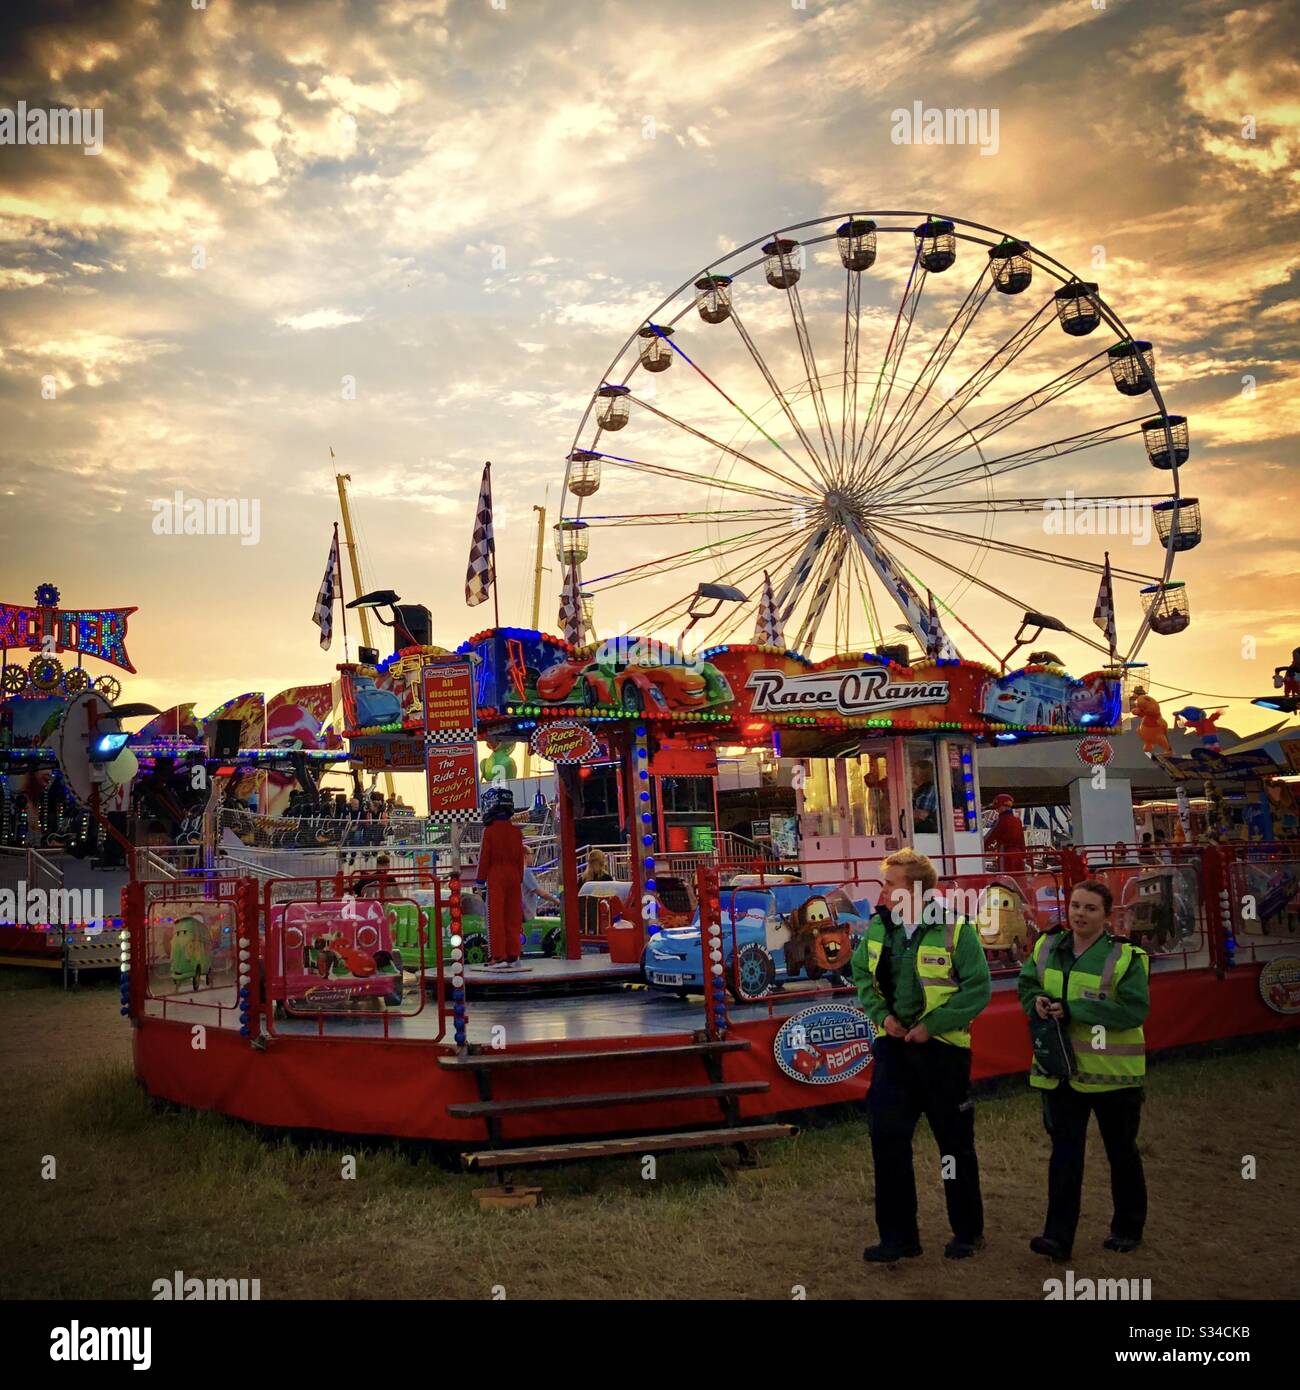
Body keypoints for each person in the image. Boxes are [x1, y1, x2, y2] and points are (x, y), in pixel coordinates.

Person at [852, 848, 992, 1263]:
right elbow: (861, 973)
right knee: (888, 1141)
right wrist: (883, 1017)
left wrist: (934, 1024)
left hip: (942, 1052)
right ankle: (898, 1239)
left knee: (953, 1146)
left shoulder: (956, 929)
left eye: (890, 883)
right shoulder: (879, 928)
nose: (883, 891)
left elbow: (978, 989)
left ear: (916, 890)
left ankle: (967, 1233)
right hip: (894, 1051)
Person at [1019, 879, 1150, 1260]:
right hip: (1061, 1073)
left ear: (1107, 917)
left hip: (1114, 1078)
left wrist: (1075, 1009)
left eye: (1091, 908)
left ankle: (1128, 1228)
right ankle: (1057, 1239)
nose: (1080, 914)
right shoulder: (1047, 945)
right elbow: (1026, 984)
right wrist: (1036, 1002)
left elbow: (1134, 1010)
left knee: (1121, 1153)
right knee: (1064, 1157)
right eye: (1076, 906)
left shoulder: (1127, 957)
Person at [476, 790, 529, 970]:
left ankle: (498, 957)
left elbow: (485, 858)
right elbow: (521, 859)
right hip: (514, 876)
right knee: (513, 917)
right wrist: (520, 878)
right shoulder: (516, 832)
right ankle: (514, 955)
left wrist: (479, 881)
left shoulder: (489, 832)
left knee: (496, 917)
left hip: (496, 875)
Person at [984, 792, 1027, 873]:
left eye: (997, 806)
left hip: (1005, 854)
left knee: (1006, 878)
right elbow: (1022, 839)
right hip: (1018, 854)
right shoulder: (1017, 820)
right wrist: (1023, 854)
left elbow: (990, 836)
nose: (996, 809)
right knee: (1020, 878)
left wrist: (982, 847)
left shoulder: (1001, 820)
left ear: (1001, 806)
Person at [910, 760, 938, 835]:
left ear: (922, 774)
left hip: (926, 833)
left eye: (914, 773)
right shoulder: (920, 790)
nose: (912, 776)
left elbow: (920, 814)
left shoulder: (928, 790)